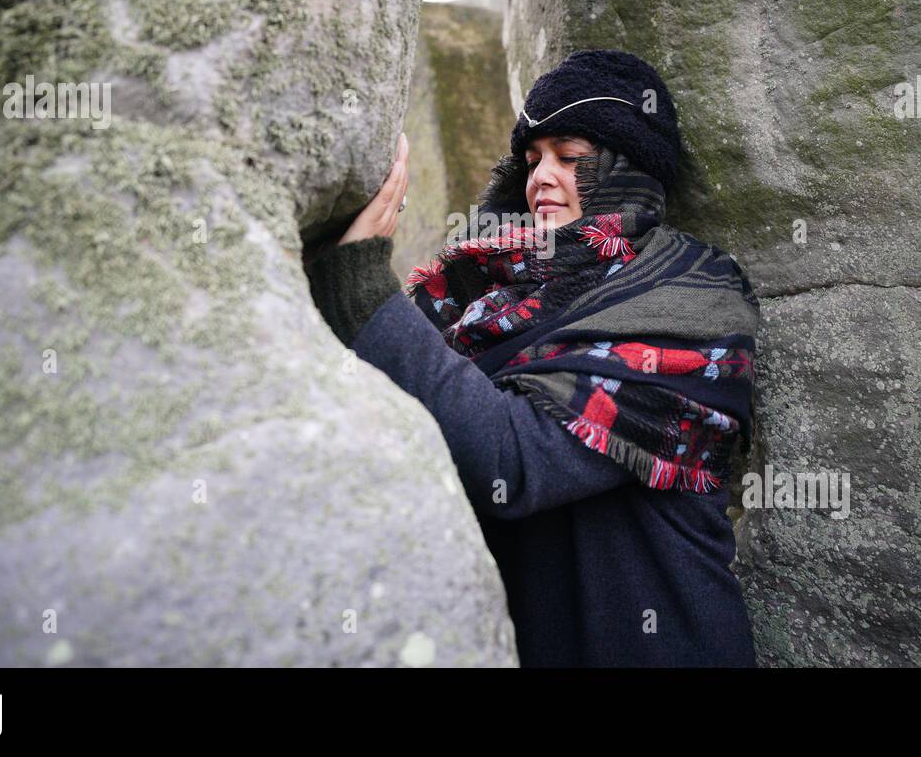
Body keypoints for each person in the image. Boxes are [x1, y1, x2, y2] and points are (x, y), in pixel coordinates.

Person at [305, 49, 760, 667]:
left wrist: (363, 292)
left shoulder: (691, 302)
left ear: (630, 169)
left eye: (571, 158)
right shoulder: (492, 298)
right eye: (532, 160)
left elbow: (512, 461)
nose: (542, 177)